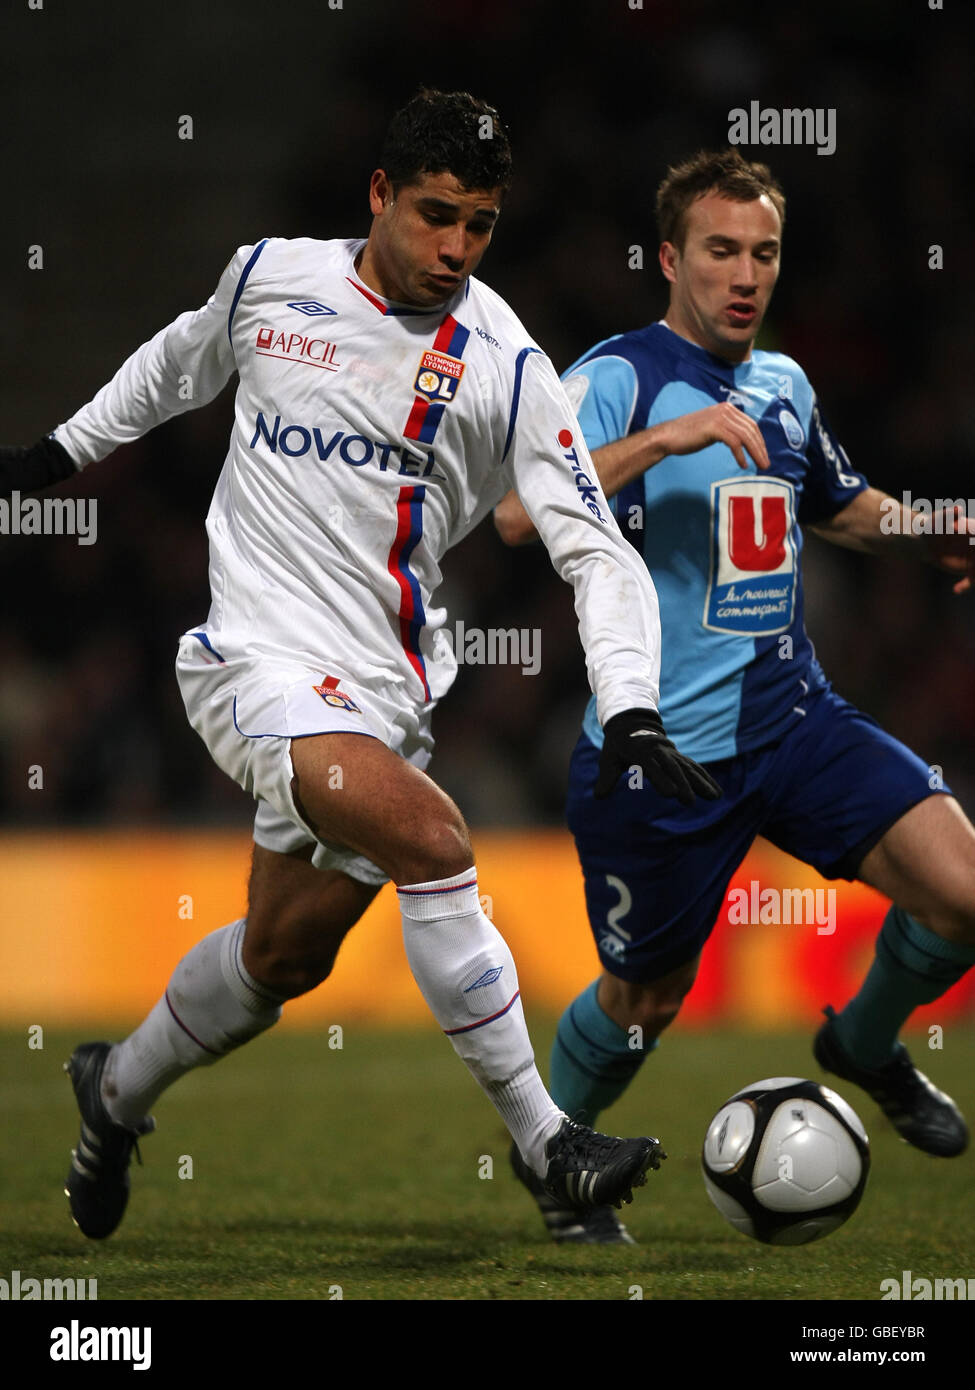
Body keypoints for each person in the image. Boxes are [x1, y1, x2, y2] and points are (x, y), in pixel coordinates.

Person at [0, 91, 728, 1241]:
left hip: (384, 694)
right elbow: (178, 364)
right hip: (253, 661)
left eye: (481, 225)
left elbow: (594, 543)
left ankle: (113, 1092)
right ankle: (548, 1144)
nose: (455, 248)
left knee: (277, 959)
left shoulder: (507, 362)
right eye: (435, 214)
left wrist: (631, 703)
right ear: (378, 196)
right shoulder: (270, 279)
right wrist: (54, 455)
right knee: (438, 839)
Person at [495, 149, 975, 1245]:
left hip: (795, 718)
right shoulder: (619, 374)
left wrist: (927, 531)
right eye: (720, 251)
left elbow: (836, 502)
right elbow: (521, 517)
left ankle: (859, 1045)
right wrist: (669, 437)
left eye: (762, 252)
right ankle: (558, 1160)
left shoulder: (786, 383)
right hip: (662, 753)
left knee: (965, 892)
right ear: (671, 258)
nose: (744, 274)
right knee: (645, 1003)